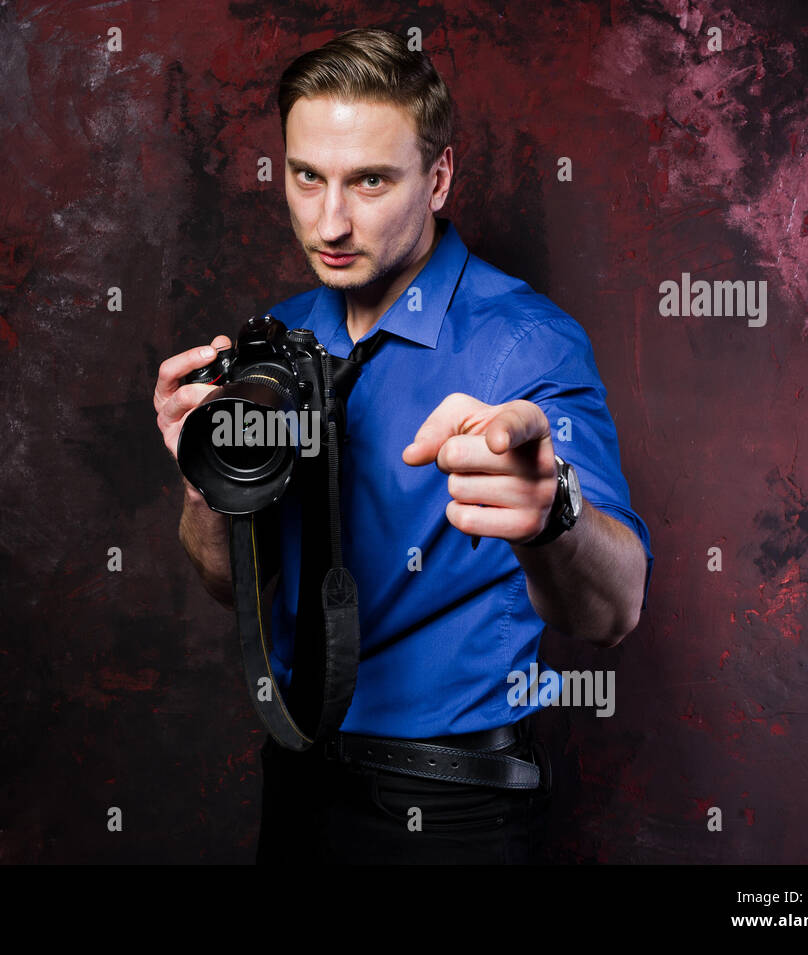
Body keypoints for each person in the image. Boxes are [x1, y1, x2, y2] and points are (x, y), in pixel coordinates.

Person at [153, 28, 654, 863]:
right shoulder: (279, 339)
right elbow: (226, 582)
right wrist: (209, 486)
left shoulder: (528, 345)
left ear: (439, 177)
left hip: (454, 800)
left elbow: (615, 610)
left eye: (371, 181)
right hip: (296, 779)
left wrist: (553, 513)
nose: (331, 219)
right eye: (306, 177)